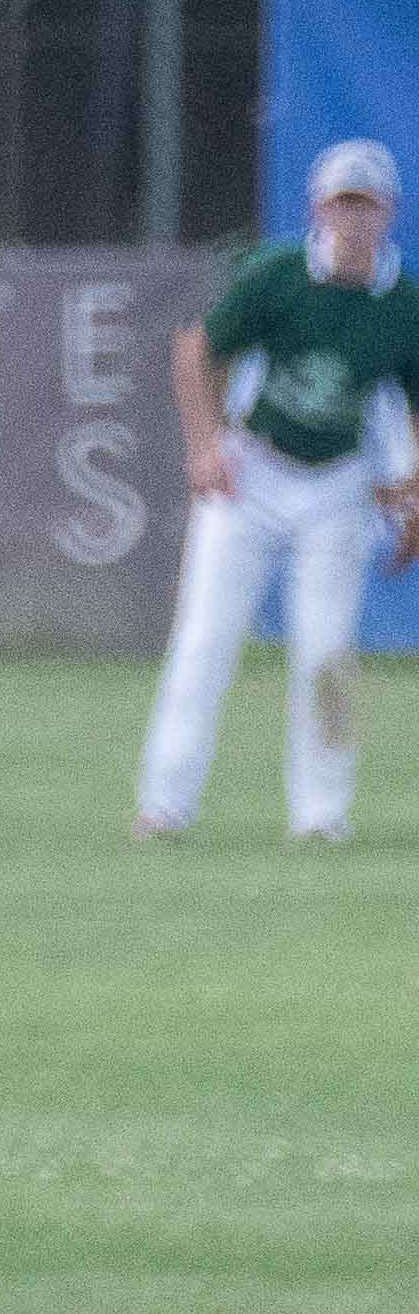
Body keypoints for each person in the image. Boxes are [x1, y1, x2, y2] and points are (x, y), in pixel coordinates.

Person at [132, 133, 419, 845]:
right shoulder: (280, 274)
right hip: (252, 472)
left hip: (339, 485)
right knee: (204, 642)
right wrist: (204, 447)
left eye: (366, 205)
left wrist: (410, 490)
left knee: (326, 657)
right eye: (340, 204)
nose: (352, 220)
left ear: (388, 213)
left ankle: (321, 817)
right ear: (317, 209)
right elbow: (197, 348)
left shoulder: (402, 302)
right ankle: (164, 807)